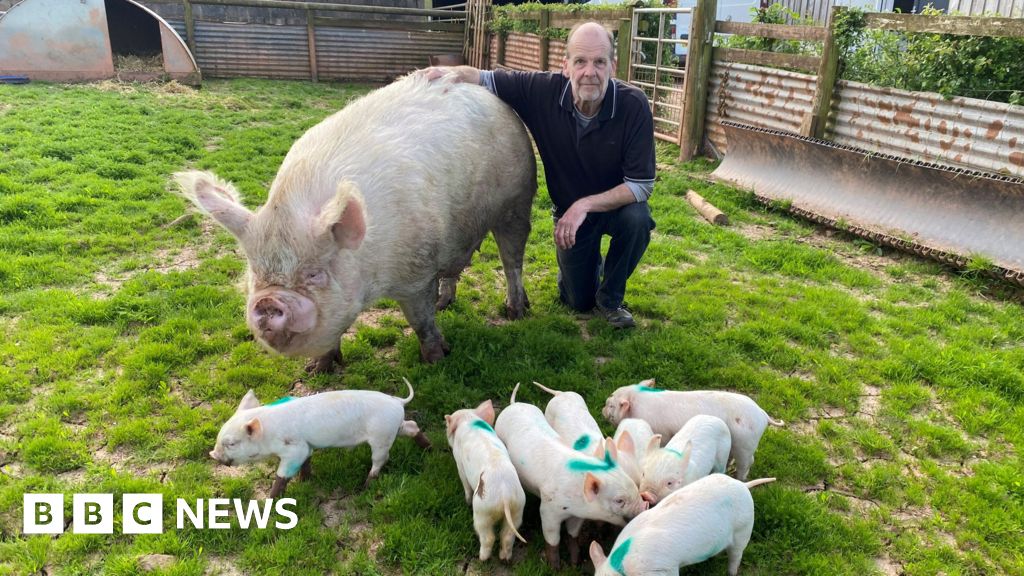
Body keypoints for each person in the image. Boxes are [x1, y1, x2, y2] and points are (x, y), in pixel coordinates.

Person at [424, 22, 656, 329]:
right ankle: (582, 271)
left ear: (613, 66)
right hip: (571, 219)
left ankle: (611, 299)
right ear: (565, 66)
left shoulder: (633, 104)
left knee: (638, 219)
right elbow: (484, 77)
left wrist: (583, 205)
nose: (590, 72)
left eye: (599, 62)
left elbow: (641, 186)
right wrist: (447, 73)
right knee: (577, 301)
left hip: (615, 208)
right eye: (580, 61)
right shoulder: (542, 91)